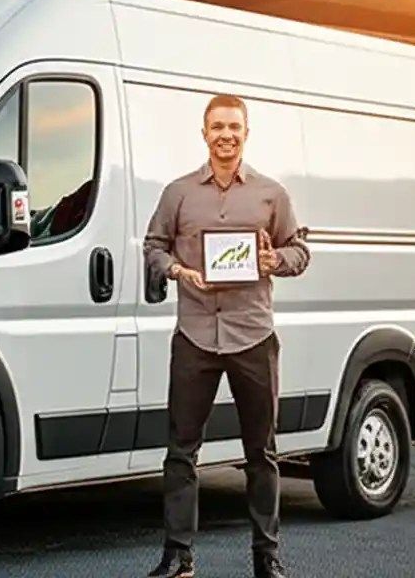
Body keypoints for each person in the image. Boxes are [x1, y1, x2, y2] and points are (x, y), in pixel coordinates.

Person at [142, 93, 310, 578]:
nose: (226, 135)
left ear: (246, 133)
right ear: (204, 133)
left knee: (262, 453)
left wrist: (272, 260)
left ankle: (267, 556)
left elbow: (299, 252)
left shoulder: (270, 194)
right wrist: (175, 269)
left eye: (234, 127)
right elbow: (153, 246)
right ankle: (178, 556)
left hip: (252, 336)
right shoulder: (177, 194)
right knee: (181, 451)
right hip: (195, 335)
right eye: (217, 126)